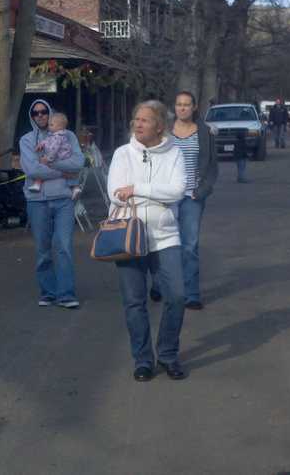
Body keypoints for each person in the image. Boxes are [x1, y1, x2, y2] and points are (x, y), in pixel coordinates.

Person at [106, 100, 189, 381]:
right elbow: (115, 193)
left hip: (165, 236)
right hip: (128, 237)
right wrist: (153, 193)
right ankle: (143, 360)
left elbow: (177, 191)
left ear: (159, 126)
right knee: (134, 302)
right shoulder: (122, 154)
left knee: (177, 296)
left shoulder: (174, 153)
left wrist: (138, 188)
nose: (138, 124)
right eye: (136, 119)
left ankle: (167, 354)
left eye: (145, 120)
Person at [148, 91, 217, 309]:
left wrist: (203, 189)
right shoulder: (164, 132)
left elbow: (212, 167)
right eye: (179, 104)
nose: (182, 108)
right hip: (165, 197)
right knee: (161, 242)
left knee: (189, 245)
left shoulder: (204, 133)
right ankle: (159, 284)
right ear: (174, 107)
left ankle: (192, 293)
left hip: (191, 196)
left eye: (187, 105)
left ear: (195, 107)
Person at [20, 99, 87, 309]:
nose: (40, 116)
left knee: (64, 247)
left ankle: (66, 294)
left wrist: (52, 164)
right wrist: (64, 172)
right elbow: (32, 170)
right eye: (35, 113)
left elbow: (78, 162)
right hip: (37, 201)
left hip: (63, 200)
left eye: (43, 112)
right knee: (42, 249)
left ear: (50, 113)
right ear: (31, 117)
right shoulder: (27, 140)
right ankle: (48, 292)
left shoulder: (69, 136)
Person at [27, 111, 83, 200]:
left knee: (43, 165)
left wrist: (48, 159)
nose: (49, 127)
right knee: (70, 174)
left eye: (51, 125)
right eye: (49, 124)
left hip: (59, 157)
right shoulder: (54, 135)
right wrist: (42, 143)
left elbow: (54, 149)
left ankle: (37, 184)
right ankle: (75, 187)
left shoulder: (58, 137)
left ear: (59, 127)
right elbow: (48, 140)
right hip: (62, 157)